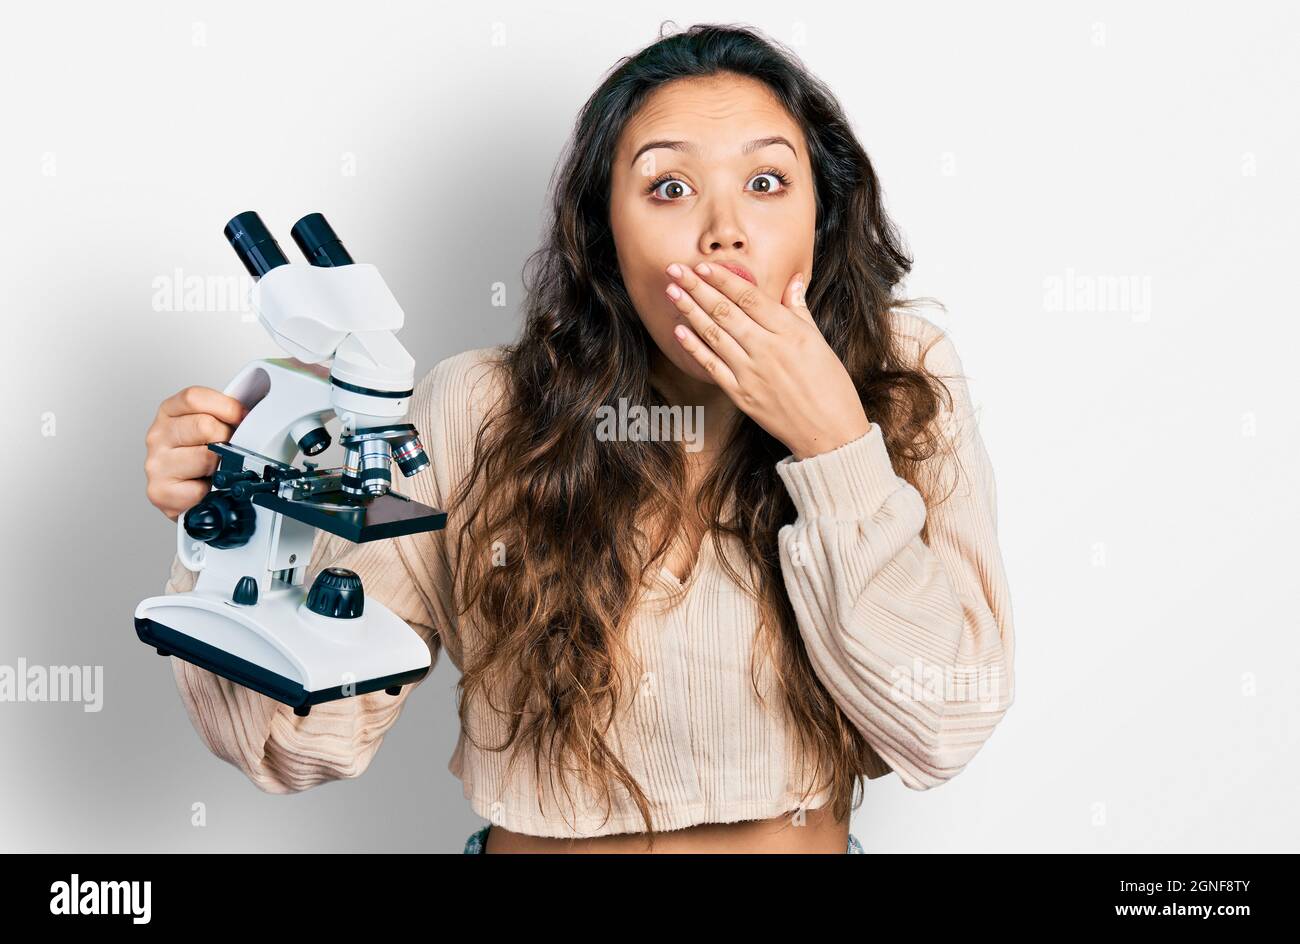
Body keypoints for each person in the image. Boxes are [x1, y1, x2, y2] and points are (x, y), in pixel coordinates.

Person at [143, 23, 1015, 854]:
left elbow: (942, 726)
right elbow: (298, 748)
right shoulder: (476, 406)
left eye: (766, 183)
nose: (724, 232)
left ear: (821, 220)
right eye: (669, 188)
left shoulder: (903, 377)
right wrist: (230, 530)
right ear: (604, 236)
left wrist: (834, 447)